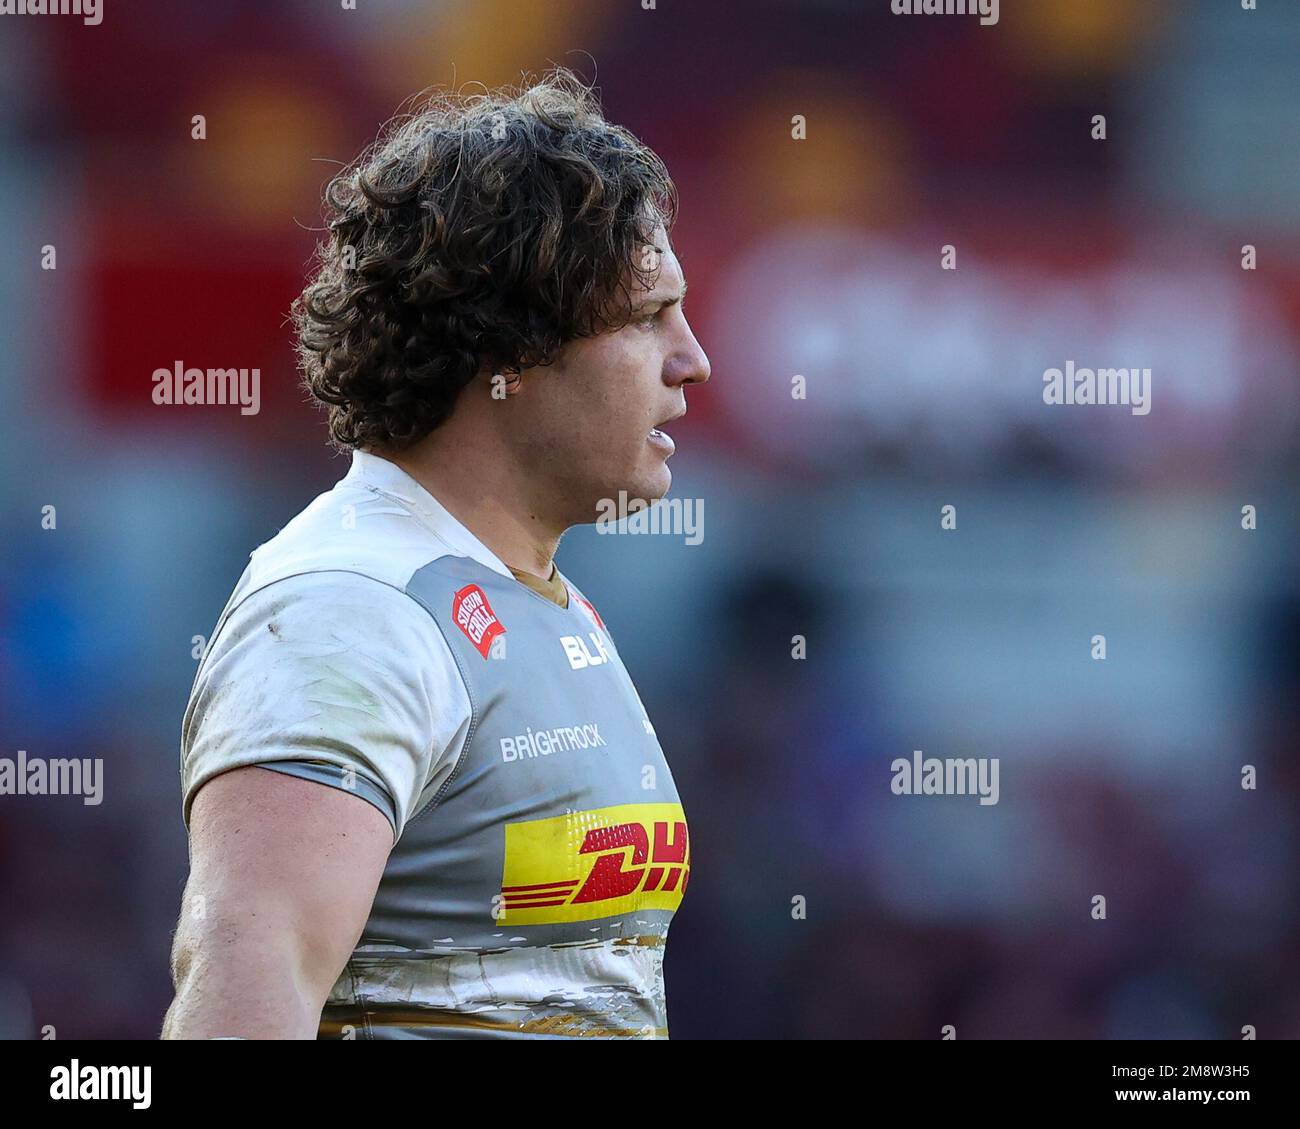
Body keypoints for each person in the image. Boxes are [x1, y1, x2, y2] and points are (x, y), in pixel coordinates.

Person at [162, 68, 711, 1040]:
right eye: (644, 317)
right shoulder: (352, 607)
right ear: (509, 352)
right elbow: (248, 990)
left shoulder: (536, 595)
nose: (691, 359)